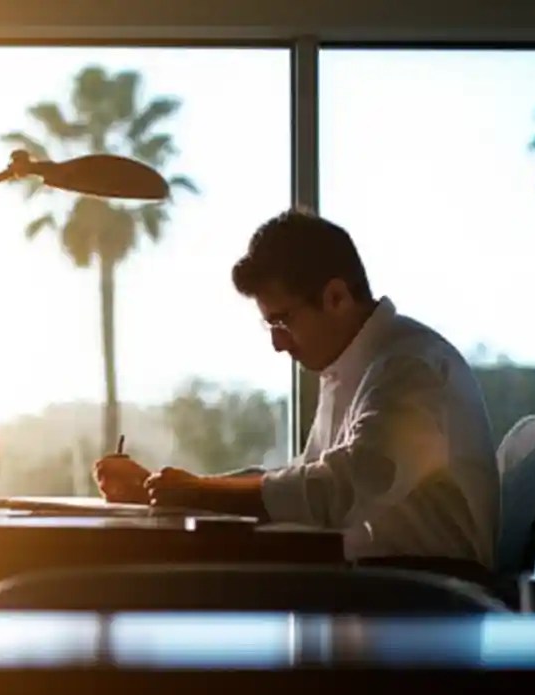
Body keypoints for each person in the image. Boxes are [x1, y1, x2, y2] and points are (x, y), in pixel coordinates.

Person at [93, 208, 500, 567]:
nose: (277, 343)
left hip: (427, 601)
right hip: (380, 585)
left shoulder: (410, 366)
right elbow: (303, 480)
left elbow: (336, 492)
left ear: (336, 297)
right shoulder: (355, 367)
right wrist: (169, 490)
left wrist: (197, 492)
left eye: (282, 322)